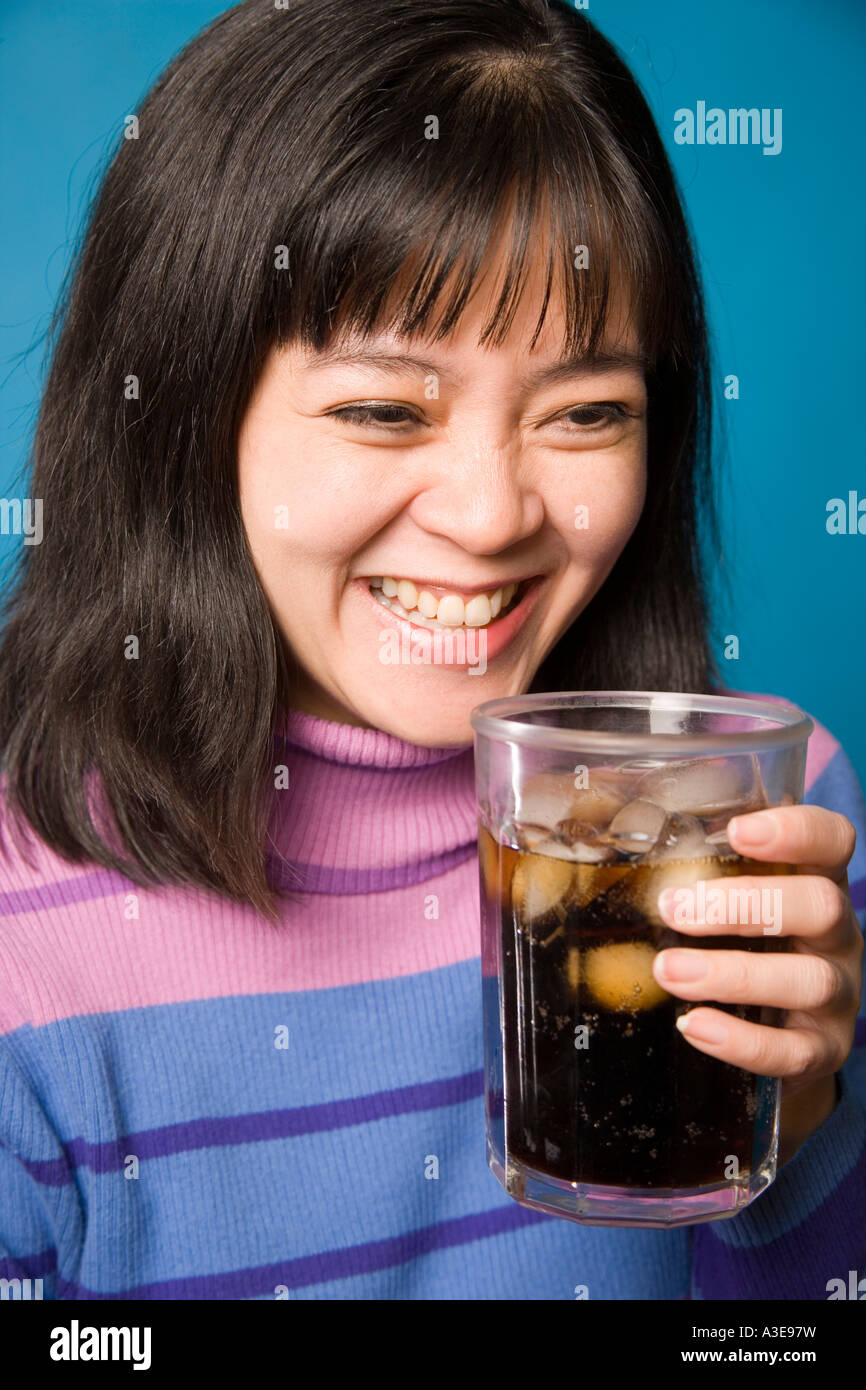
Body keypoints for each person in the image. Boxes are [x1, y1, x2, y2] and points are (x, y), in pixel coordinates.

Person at [0, 0, 862, 1301]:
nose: (492, 514)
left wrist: (793, 1131)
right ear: (181, 412)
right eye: (384, 408)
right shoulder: (26, 953)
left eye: (585, 412)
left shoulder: (770, 828)